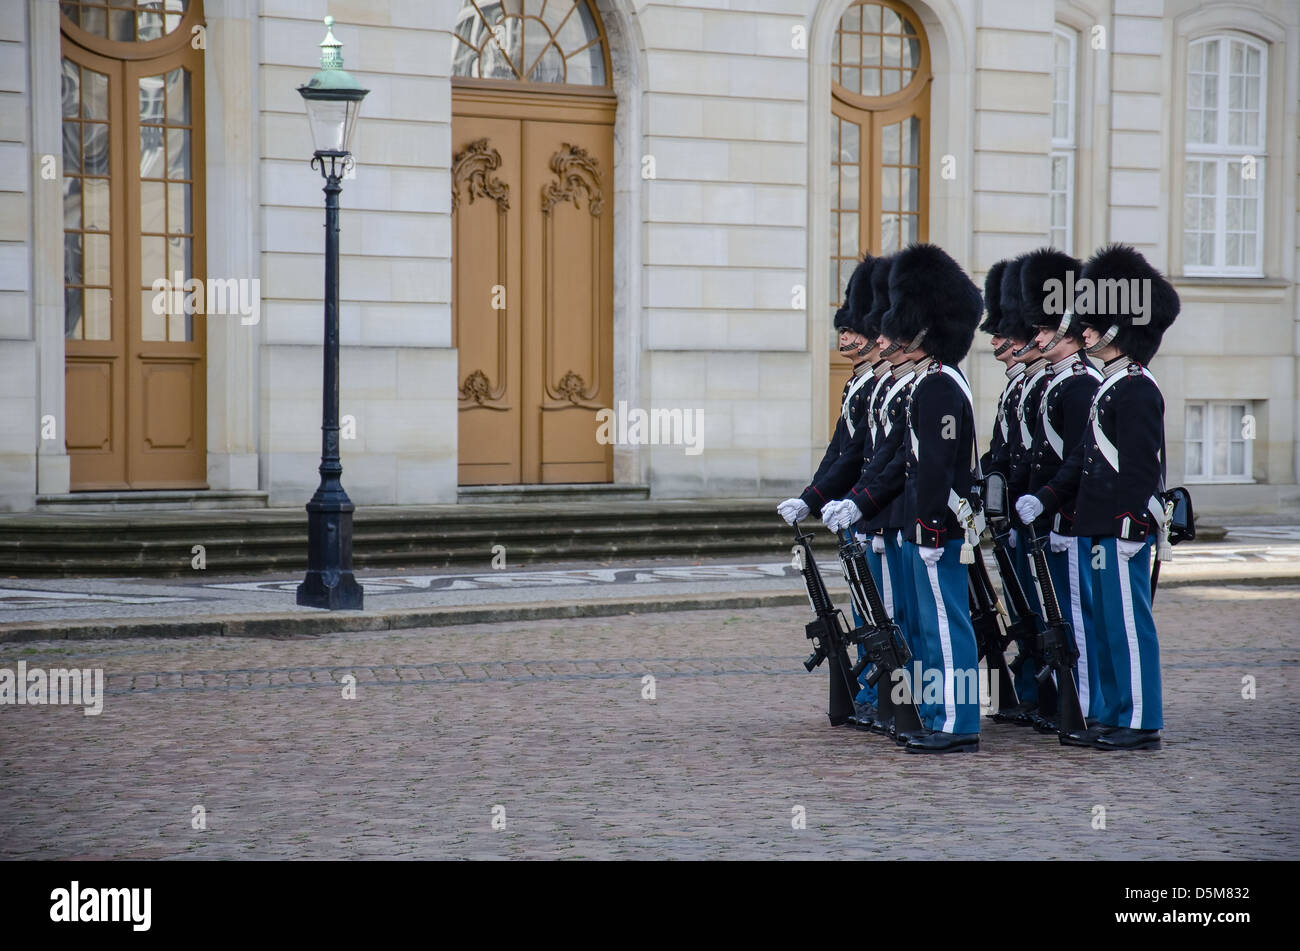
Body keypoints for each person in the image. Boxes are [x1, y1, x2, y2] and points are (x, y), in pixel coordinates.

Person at [822, 243, 984, 754]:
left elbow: (934, 468)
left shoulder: (938, 386)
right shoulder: (923, 384)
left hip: (934, 526)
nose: (884, 336)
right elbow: (901, 463)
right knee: (919, 628)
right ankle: (932, 712)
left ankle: (957, 722)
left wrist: (932, 527)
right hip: (916, 522)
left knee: (944, 627)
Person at [1016, 244, 1179, 751]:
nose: (1083, 330)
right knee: (1105, 629)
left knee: (1128, 629)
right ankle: (1110, 712)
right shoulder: (1111, 385)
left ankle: (1139, 720)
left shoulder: (1135, 388)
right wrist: (1043, 499)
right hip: (1096, 525)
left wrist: (1131, 526)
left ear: (1117, 328)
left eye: (1093, 324)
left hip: (1120, 528)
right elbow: (1084, 462)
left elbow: (1136, 468)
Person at [778, 254, 879, 722]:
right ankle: (875, 695)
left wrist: (839, 501)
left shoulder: (880, 384)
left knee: (882, 611)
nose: (845, 338)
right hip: (853, 509)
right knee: (864, 608)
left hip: (873, 509)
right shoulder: (857, 384)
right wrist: (811, 496)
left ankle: (887, 698)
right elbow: (838, 452)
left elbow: (861, 457)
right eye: (843, 330)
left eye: (854, 330)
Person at [1017, 247, 1103, 739]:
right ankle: (1066, 700)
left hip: (1068, 517)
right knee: (1057, 615)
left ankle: (1084, 704)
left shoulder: (1080, 384)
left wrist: (1048, 501)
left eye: (1046, 331)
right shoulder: (1058, 383)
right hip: (1047, 517)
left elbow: (1078, 460)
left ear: (1068, 333)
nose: (1038, 339)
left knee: (1076, 617)